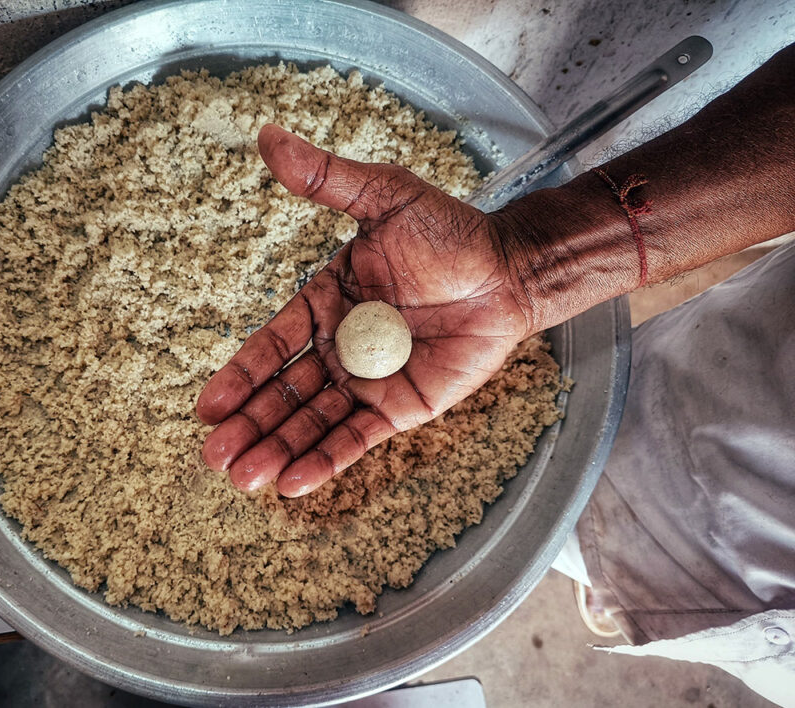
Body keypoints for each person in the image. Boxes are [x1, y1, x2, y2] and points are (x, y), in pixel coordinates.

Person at [196, 43, 795, 706]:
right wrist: (527, 264)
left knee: (621, 552)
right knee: (606, 494)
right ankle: (610, 573)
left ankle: (621, 585)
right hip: (721, 398)